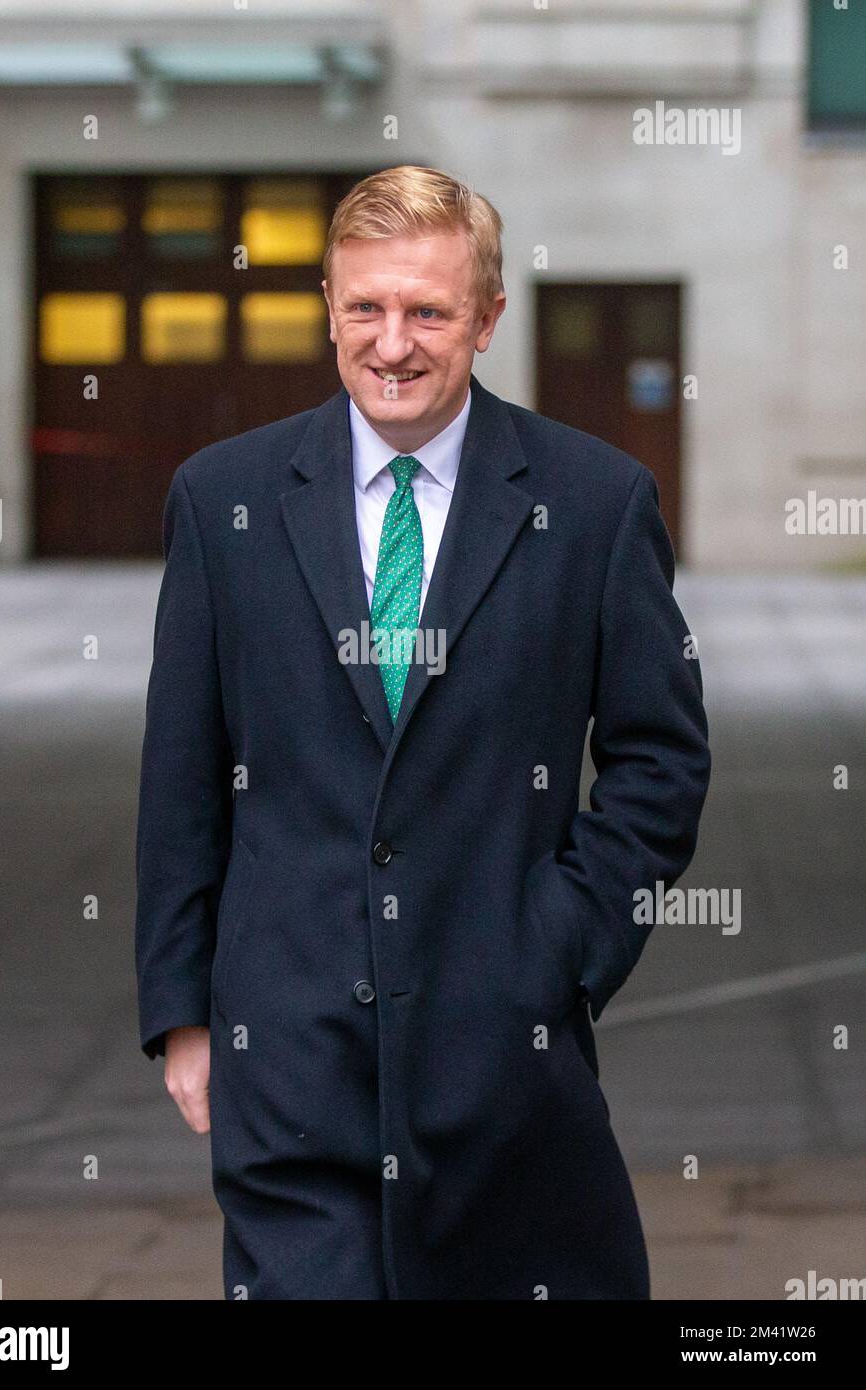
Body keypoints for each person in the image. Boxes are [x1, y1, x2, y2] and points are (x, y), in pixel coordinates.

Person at [134, 164, 711, 1300]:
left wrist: (560, 943)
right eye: (366, 308)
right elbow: (181, 772)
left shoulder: (596, 504)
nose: (392, 344)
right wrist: (183, 1013)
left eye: (429, 312)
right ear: (331, 308)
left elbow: (662, 757)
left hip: (505, 1068)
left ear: (488, 320)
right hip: (289, 1059)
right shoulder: (224, 499)